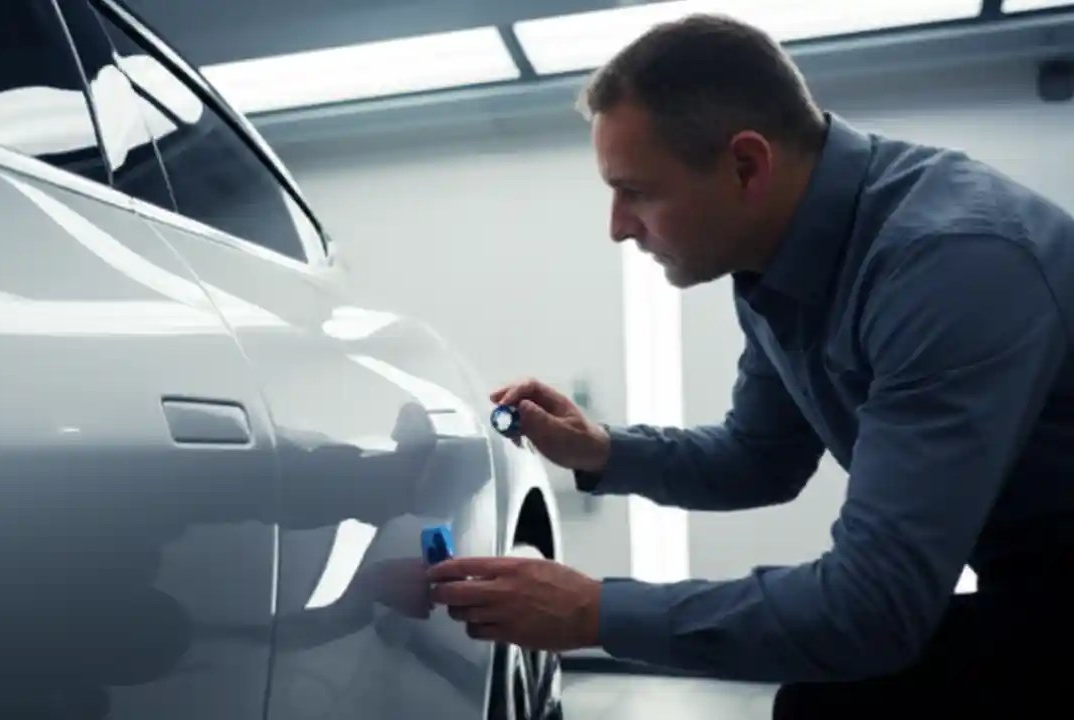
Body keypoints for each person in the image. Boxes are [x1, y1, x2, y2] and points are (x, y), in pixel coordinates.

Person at [426, 12, 1074, 717]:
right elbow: (759, 458)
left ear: (746, 165)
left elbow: (872, 608)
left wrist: (594, 612)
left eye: (636, 190)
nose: (616, 226)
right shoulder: (777, 264)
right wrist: (602, 452)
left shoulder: (951, 264)